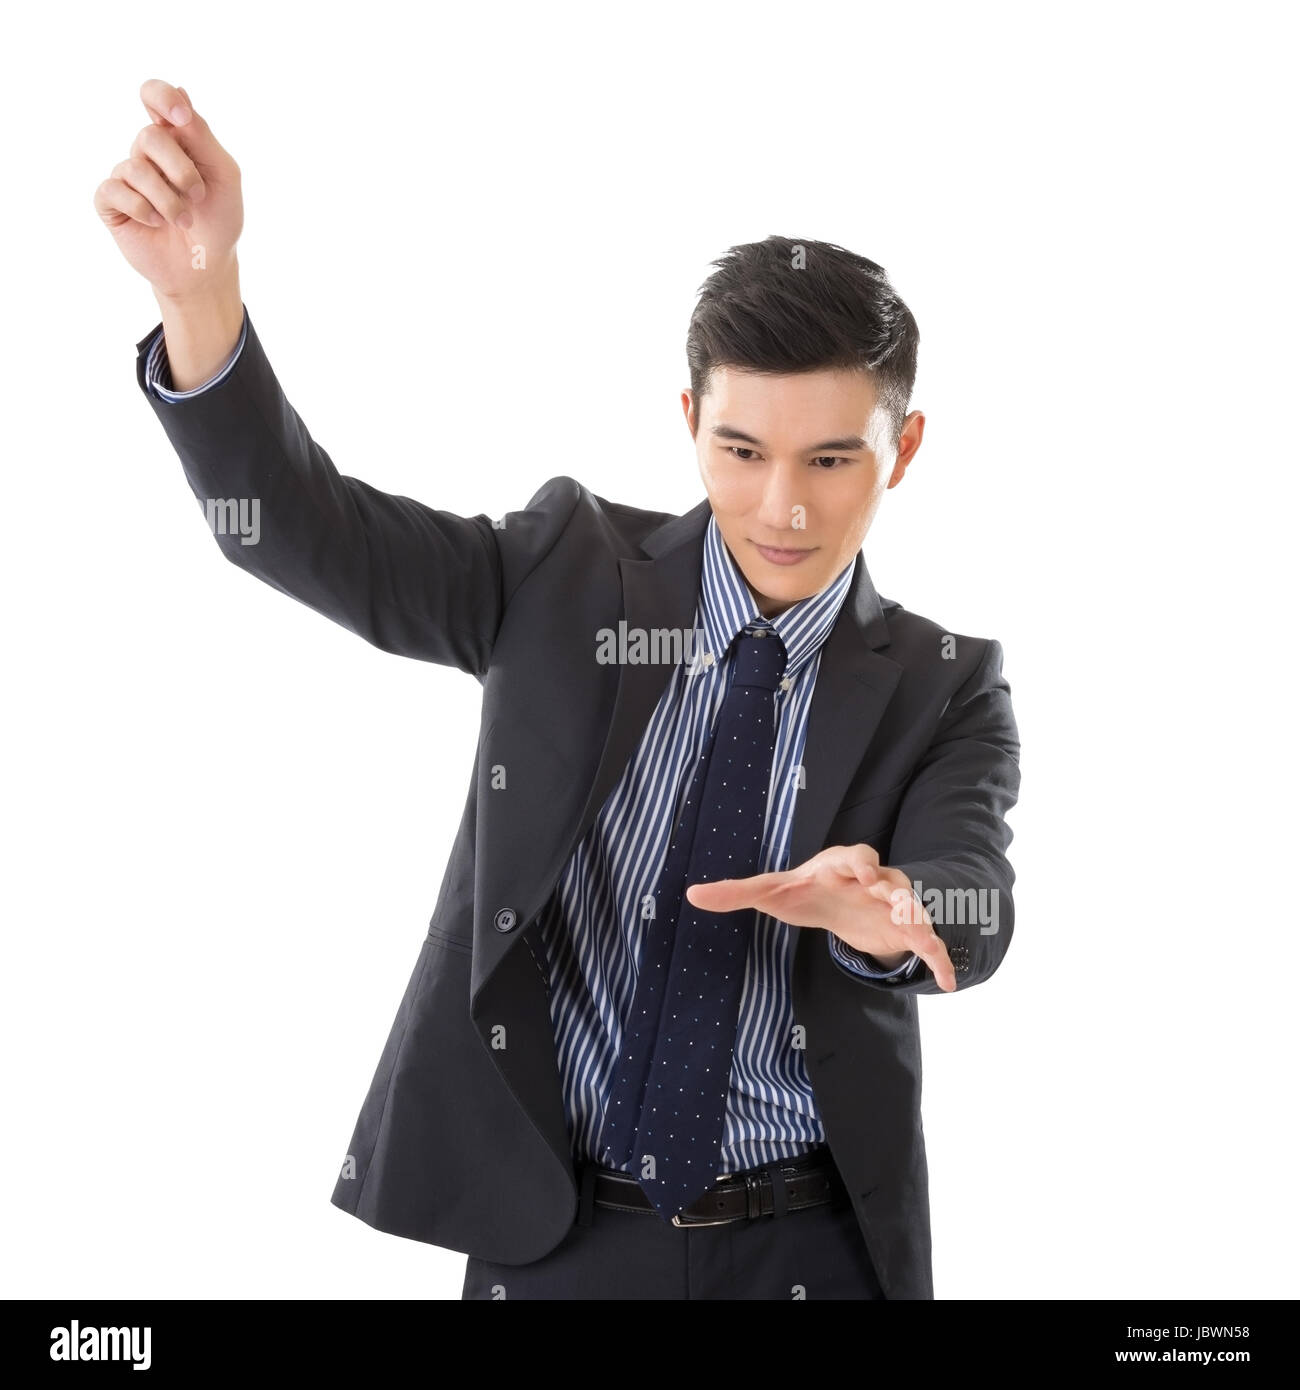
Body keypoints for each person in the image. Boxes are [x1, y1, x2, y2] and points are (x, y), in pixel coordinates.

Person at [95, 79, 1021, 1300]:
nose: (782, 507)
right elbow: (299, 533)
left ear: (900, 449)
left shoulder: (945, 684)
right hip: (561, 1239)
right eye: (741, 452)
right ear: (690, 421)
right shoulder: (564, 573)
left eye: (831, 459)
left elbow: (975, 891)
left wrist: (899, 911)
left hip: (813, 1250)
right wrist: (195, 298)